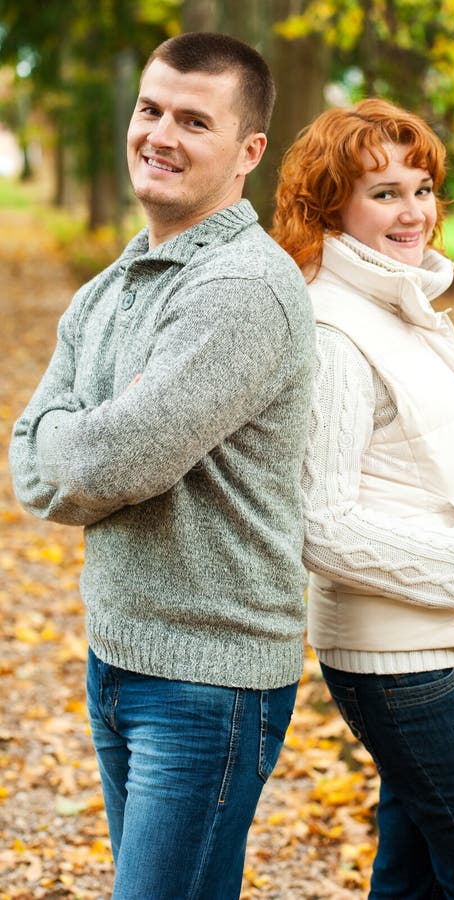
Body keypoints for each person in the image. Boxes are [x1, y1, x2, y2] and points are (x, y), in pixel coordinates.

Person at [10, 32, 314, 900]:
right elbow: (31, 467)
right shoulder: (113, 285)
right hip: (119, 655)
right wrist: (86, 437)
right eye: (151, 110)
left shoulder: (240, 289)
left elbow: (107, 464)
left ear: (248, 151)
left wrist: (79, 432)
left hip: (207, 681)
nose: (160, 135)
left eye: (193, 120)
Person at [272, 98, 454, 899]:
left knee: (416, 882)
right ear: (330, 203)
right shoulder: (335, 331)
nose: (412, 212)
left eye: (421, 187)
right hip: (408, 658)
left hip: (451, 637)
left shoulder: (395, 303)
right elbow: (318, 522)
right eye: (383, 193)